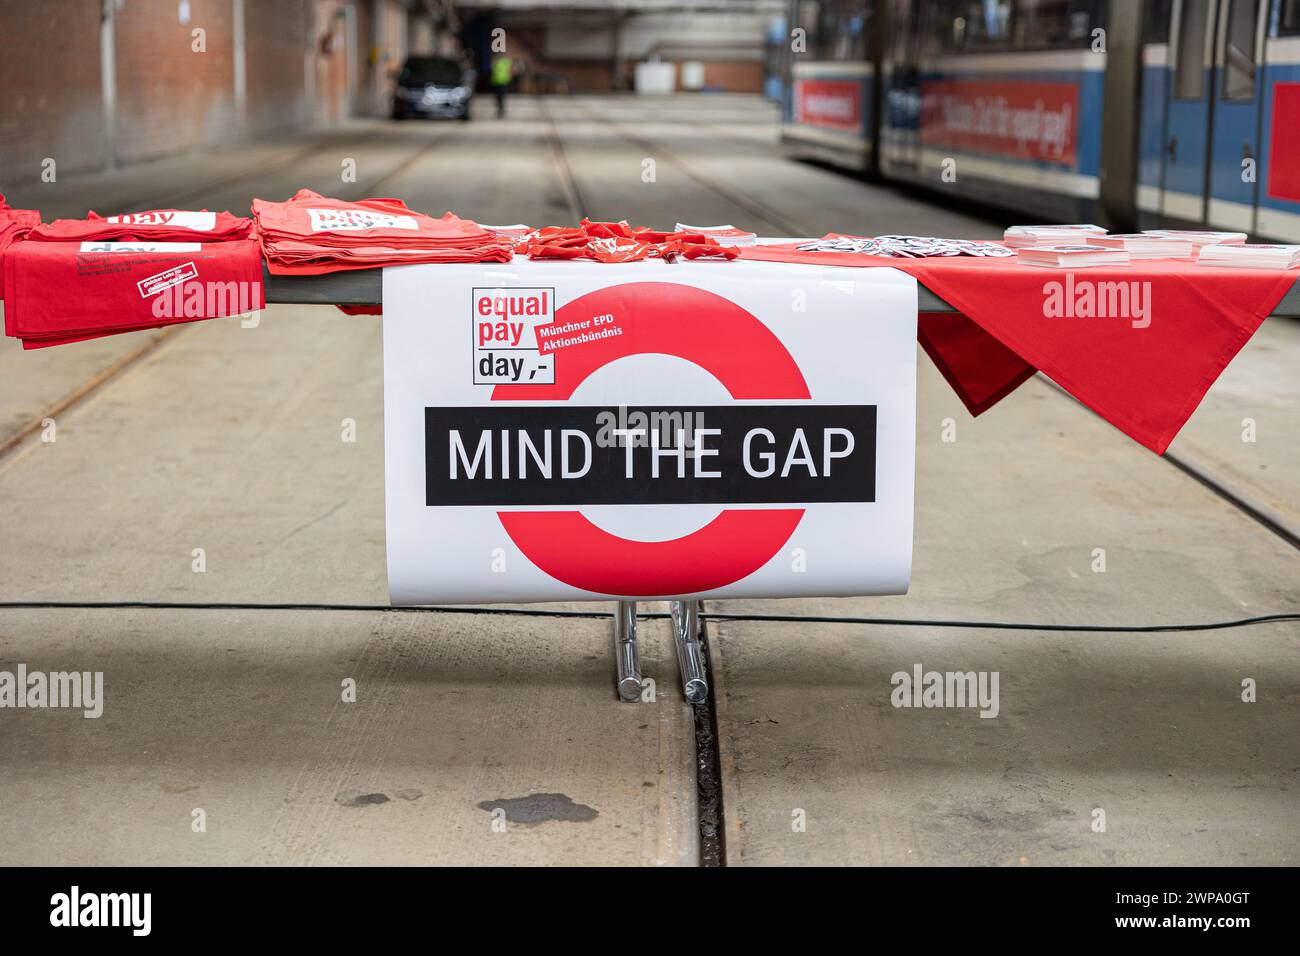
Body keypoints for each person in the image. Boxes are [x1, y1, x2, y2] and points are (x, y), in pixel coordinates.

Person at [490, 53, 513, 118]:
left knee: (502, 96)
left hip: (503, 82)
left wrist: (509, 77)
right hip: (496, 82)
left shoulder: (506, 61)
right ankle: (499, 109)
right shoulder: (496, 61)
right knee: (498, 97)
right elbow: (493, 70)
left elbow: (510, 69)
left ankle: (501, 109)